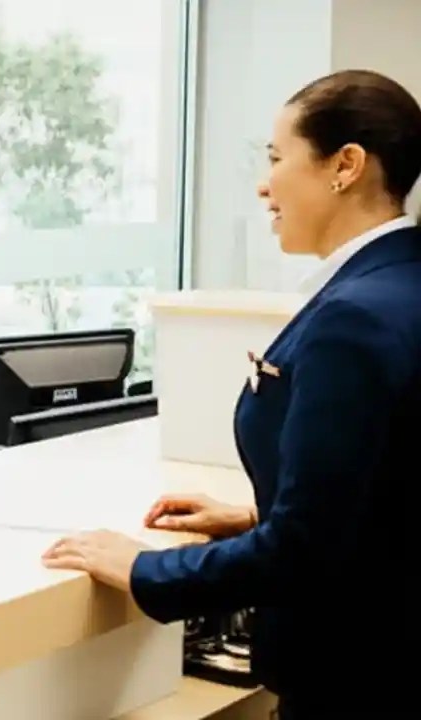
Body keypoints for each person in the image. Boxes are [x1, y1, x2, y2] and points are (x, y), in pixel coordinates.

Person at [41, 68, 421, 716]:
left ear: (346, 166)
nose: (263, 184)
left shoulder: (353, 319)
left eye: (276, 159)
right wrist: (257, 513)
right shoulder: (401, 283)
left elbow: (300, 556)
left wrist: (142, 570)